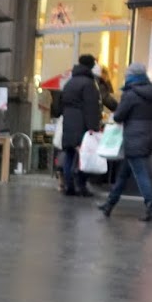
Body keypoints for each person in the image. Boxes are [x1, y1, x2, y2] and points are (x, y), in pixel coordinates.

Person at [98, 62, 152, 223]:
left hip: (134, 138)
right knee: (123, 174)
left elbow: (119, 116)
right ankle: (109, 204)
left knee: (140, 173)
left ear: (131, 77)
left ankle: (151, 206)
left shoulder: (130, 94)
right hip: (148, 137)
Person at [60, 54, 102, 197]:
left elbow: (60, 105)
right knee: (84, 156)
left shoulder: (69, 83)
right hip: (82, 125)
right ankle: (81, 186)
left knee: (69, 155)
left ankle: (69, 186)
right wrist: (93, 127)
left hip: (68, 123)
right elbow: (91, 108)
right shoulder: (89, 84)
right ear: (91, 66)